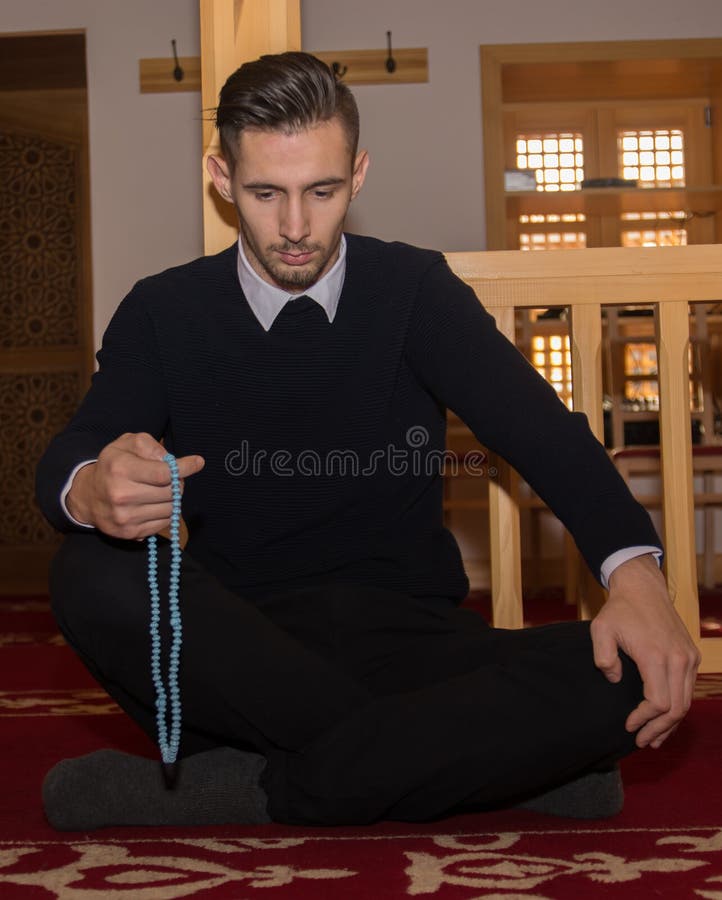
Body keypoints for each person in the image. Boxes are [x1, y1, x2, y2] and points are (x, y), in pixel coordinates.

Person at [36, 51, 699, 831]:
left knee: (631, 671)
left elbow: (543, 433)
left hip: (412, 641)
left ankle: (248, 787)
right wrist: (92, 486)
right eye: (265, 193)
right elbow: (72, 452)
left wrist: (641, 577)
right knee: (87, 567)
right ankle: (479, 769)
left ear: (358, 174)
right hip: (241, 653)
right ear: (220, 177)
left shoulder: (414, 291)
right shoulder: (163, 311)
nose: (294, 228)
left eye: (321, 192)